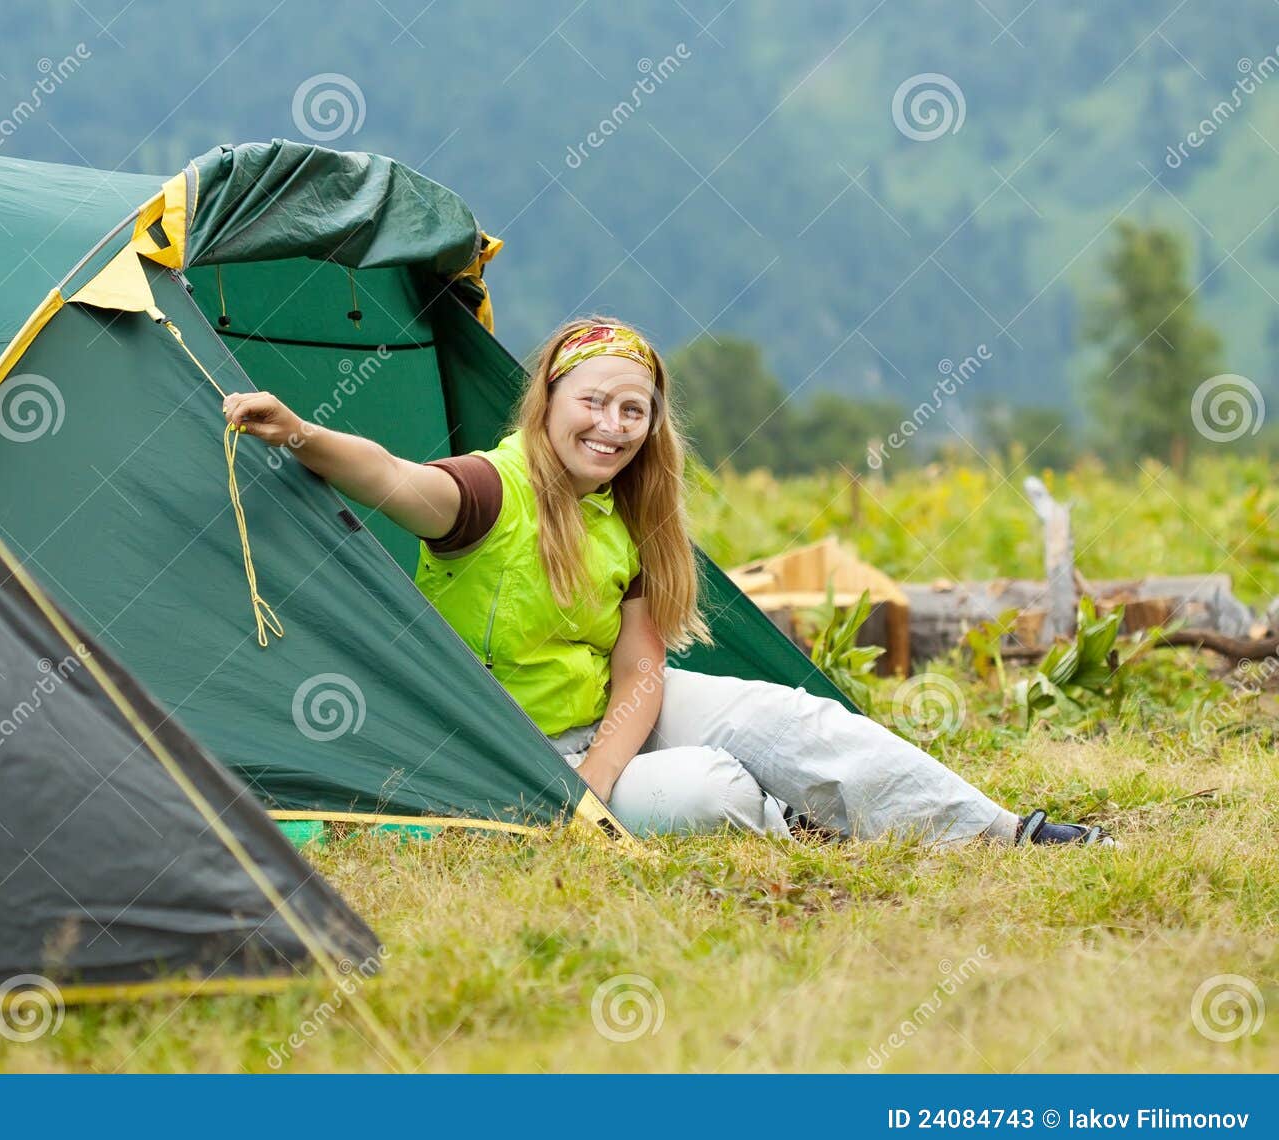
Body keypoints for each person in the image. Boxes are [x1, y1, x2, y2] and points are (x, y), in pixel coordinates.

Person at [224, 317, 1109, 846]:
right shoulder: (487, 491)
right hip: (517, 752)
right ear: (549, 402)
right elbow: (390, 476)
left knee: (790, 717)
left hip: (601, 729)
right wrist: (301, 433)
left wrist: (602, 775)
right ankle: (802, 823)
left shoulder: (629, 513)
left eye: (632, 410)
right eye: (592, 402)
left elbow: (642, 668)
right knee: (716, 786)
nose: (611, 426)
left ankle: (999, 835)